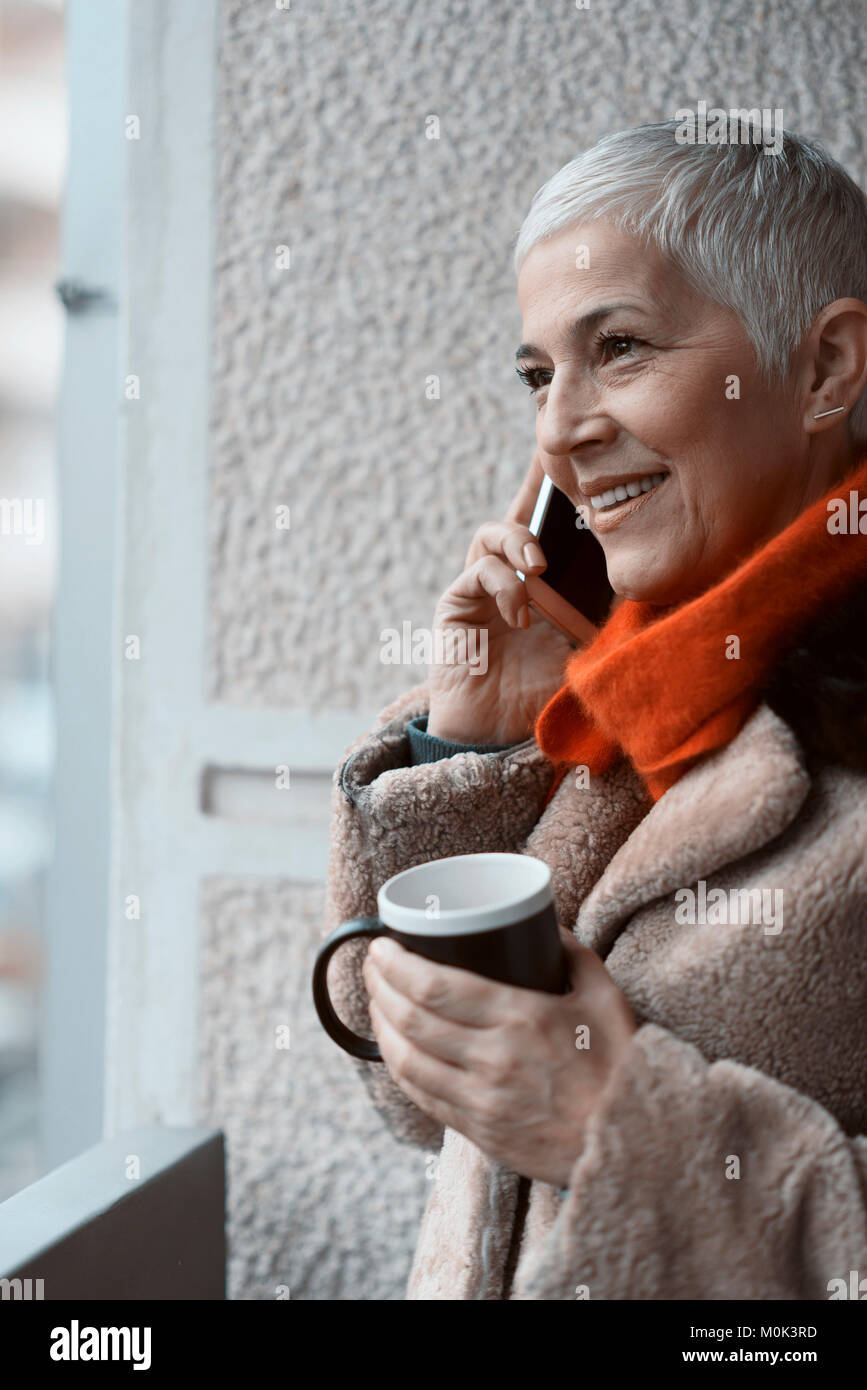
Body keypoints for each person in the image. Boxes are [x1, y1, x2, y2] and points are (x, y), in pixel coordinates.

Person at [322, 119, 867, 1299]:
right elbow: (422, 1104)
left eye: (619, 349)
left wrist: (624, 1133)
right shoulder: (628, 684)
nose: (559, 429)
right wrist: (472, 742)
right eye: (536, 374)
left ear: (824, 369)